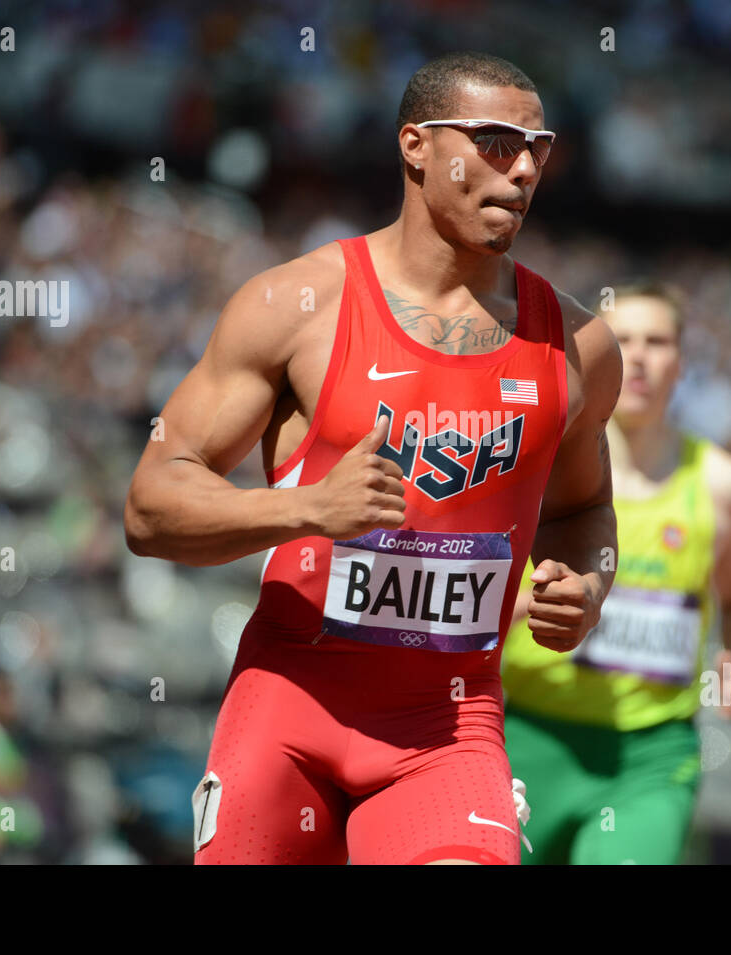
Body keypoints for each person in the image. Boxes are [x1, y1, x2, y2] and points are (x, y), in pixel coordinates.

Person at [124, 51, 622, 865]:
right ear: (416, 145)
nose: (525, 166)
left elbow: (583, 510)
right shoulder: (296, 307)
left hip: (449, 726)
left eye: (540, 146)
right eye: (496, 141)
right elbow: (149, 506)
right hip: (289, 706)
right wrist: (305, 508)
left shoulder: (578, 346)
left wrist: (589, 581)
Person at [501, 284, 731, 864]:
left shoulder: (725, 486)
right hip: (525, 737)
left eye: (658, 341)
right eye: (622, 340)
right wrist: (522, 607)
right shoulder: (526, 470)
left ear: (682, 361)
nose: (639, 356)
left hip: (651, 756)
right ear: (591, 355)